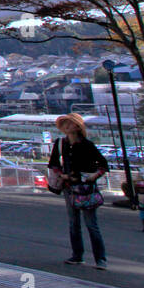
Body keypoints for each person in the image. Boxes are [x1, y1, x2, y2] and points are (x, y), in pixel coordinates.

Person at [47, 112, 109, 270]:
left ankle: (100, 259)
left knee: (91, 224)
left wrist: (93, 176)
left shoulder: (87, 145)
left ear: (78, 126)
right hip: (69, 188)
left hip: (86, 188)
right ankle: (77, 255)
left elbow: (103, 165)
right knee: (73, 223)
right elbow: (53, 164)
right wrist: (62, 175)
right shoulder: (60, 144)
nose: (67, 126)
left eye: (70, 123)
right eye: (65, 124)